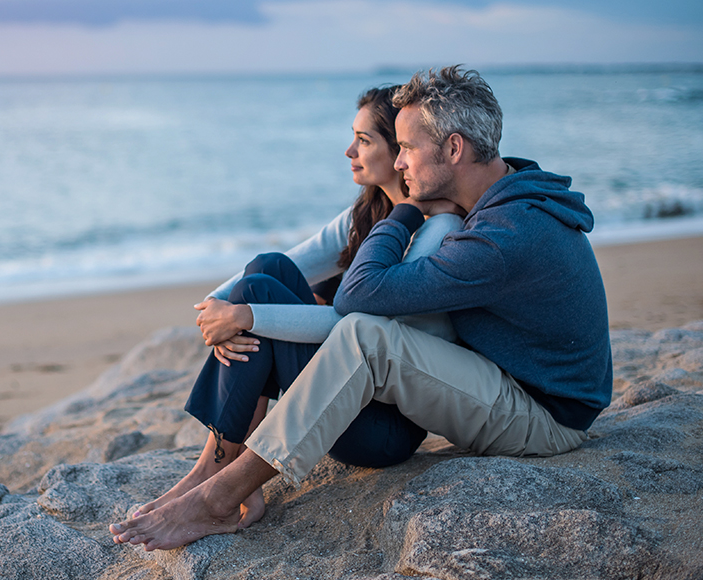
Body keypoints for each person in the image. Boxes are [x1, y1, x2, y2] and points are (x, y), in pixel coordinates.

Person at [109, 65, 613, 551]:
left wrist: (406, 209)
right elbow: (329, 279)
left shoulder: (500, 237)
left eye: (409, 148)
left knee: (365, 337)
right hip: (518, 382)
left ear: (454, 148)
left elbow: (357, 296)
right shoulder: (505, 200)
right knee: (277, 278)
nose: (397, 163)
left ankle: (219, 496)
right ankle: (217, 469)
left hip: (546, 416)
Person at [124, 85, 463, 532]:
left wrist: (246, 317)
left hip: (383, 428)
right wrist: (217, 310)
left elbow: (365, 331)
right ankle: (219, 463)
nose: (349, 150)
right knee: (268, 269)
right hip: (342, 397)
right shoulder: (369, 212)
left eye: (365, 140)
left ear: (398, 151)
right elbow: (285, 265)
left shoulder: (438, 231)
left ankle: (218, 468)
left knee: (260, 298)